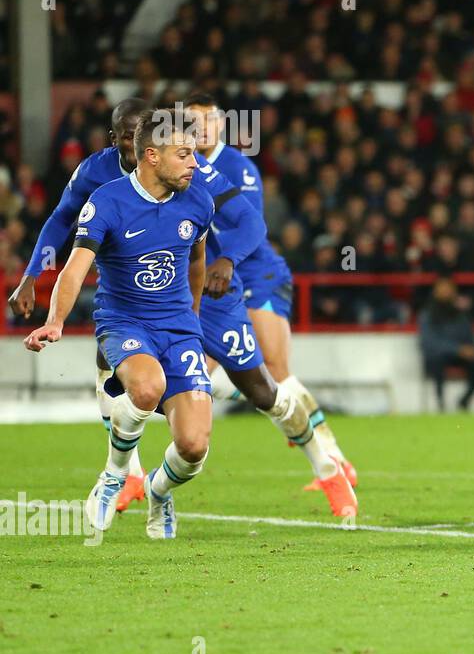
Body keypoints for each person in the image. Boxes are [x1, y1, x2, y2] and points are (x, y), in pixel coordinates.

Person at [24, 116, 215, 538]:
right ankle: (114, 475)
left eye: (195, 154)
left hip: (180, 327)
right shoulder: (108, 201)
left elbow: (198, 260)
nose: (195, 164)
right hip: (125, 321)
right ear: (152, 155)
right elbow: (75, 268)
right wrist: (55, 320)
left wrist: (195, 319)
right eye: (184, 154)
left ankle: (157, 492)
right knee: (147, 388)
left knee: (194, 447)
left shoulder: (199, 200)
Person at [184, 92, 357, 491]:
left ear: (221, 125)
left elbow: (248, 227)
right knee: (214, 372)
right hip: (218, 282)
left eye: (208, 121)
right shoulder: (183, 165)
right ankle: (325, 453)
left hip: (256, 273)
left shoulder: (237, 167)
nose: (201, 129)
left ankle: (334, 460)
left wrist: (219, 265)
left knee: (275, 371)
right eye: (192, 122)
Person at [418, 276, 474, 410]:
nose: (445, 291)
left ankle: (464, 401)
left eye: (448, 288)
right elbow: (429, 342)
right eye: (442, 288)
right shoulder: (428, 313)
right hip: (438, 355)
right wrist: (458, 349)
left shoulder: (461, 313)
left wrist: (470, 349)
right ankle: (440, 403)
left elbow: (468, 335)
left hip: (459, 355)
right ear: (435, 291)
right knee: (437, 362)